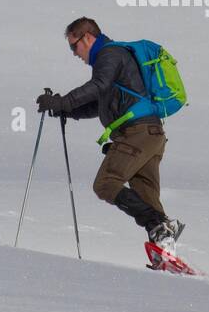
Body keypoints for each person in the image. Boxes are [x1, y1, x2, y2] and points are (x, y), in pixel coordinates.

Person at [36, 17, 183, 248]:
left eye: (74, 46)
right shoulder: (113, 59)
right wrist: (67, 110)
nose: (74, 53)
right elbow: (99, 103)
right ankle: (164, 246)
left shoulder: (109, 54)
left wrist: (63, 102)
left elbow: (98, 86)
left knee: (105, 184)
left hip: (137, 133)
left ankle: (158, 225)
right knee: (146, 197)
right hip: (151, 134)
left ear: (88, 37)